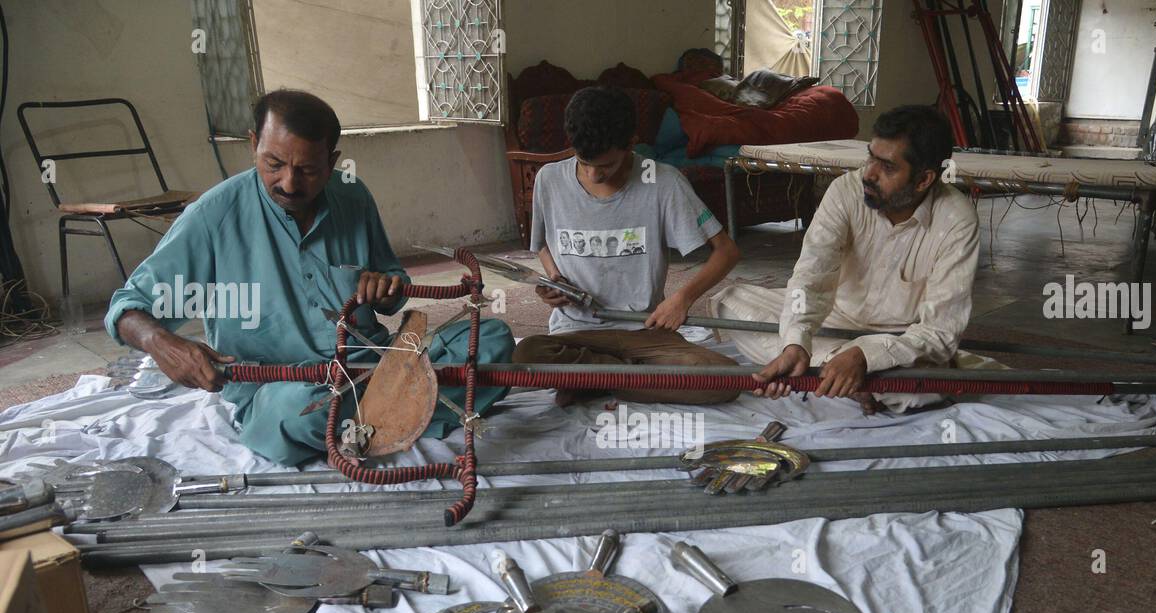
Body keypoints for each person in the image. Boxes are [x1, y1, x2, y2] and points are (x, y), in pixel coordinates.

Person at [104, 89, 512, 464]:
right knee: (298, 413)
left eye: (308, 170)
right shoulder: (214, 216)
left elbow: (392, 284)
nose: (289, 183)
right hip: (284, 386)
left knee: (491, 341)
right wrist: (161, 342)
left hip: (375, 366)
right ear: (253, 145)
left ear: (332, 161)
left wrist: (385, 290)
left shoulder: (352, 195)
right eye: (274, 164)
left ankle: (374, 418)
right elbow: (126, 308)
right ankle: (398, 413)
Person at [708, 104, 985, 414]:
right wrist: (796, 343)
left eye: (887, 167)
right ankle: (847, 378)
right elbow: (811, 276)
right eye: (871, 157)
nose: (868, 173)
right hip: (834, 319)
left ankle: (833, 375)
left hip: (900, 341)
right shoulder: (845, 191)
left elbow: (940, 332)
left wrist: (865, 355)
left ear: (923, 180)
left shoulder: (957, 219)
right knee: (730, 301)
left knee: (929, 388)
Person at [513, 86, 742, 405]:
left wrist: (681, 300)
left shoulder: (663, 181)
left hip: (645, 332)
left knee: (725, 380)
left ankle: (596, 380)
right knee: (527, 353)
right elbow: (543, 245)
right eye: (583, 162)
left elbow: (727, 252)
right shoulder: (549, 180)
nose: (594, 174)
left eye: (606, 165)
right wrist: (554, 279)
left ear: (631, 145)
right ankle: (628, 378)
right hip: (574, 333)